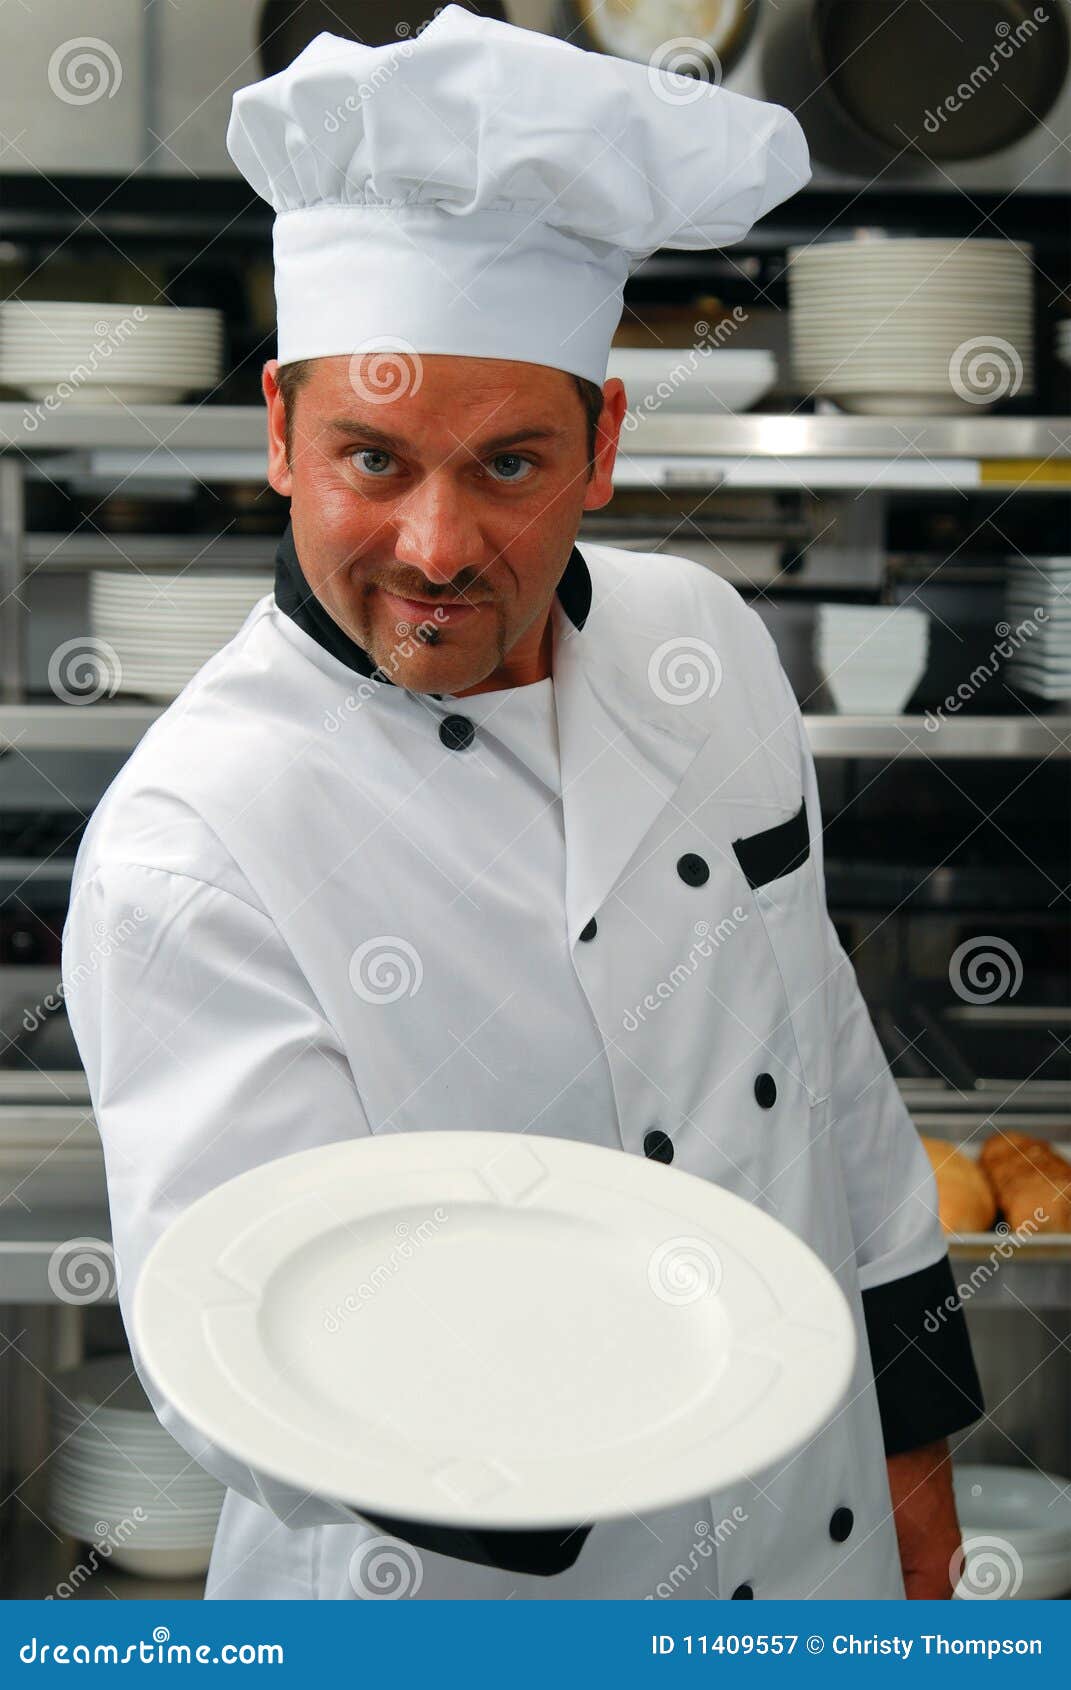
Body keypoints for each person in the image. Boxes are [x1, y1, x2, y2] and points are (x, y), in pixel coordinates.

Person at [62, 5, 983, 1601]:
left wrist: (916, 1495)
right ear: (280, 431)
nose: (436, 547)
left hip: (819, 1557)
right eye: (373, 459)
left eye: (508, 466)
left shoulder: (703, 644)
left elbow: (828, 1079)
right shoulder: (195, 843)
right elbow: (243, 1353)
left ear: (604, 443)